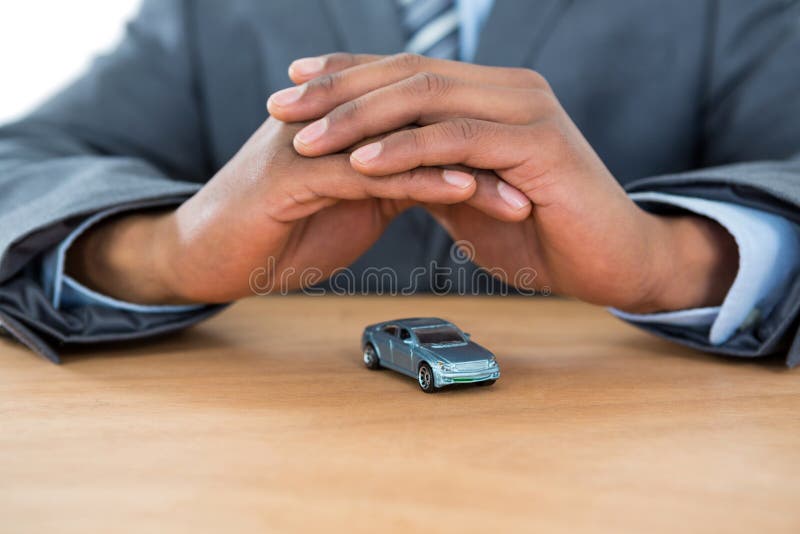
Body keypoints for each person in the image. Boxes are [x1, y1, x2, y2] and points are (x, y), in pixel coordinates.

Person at [0, 0, 798, 365]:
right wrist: (165, 253)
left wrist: (672, 261)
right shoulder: (211, 13)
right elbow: (18, 163)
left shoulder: (726, 10)